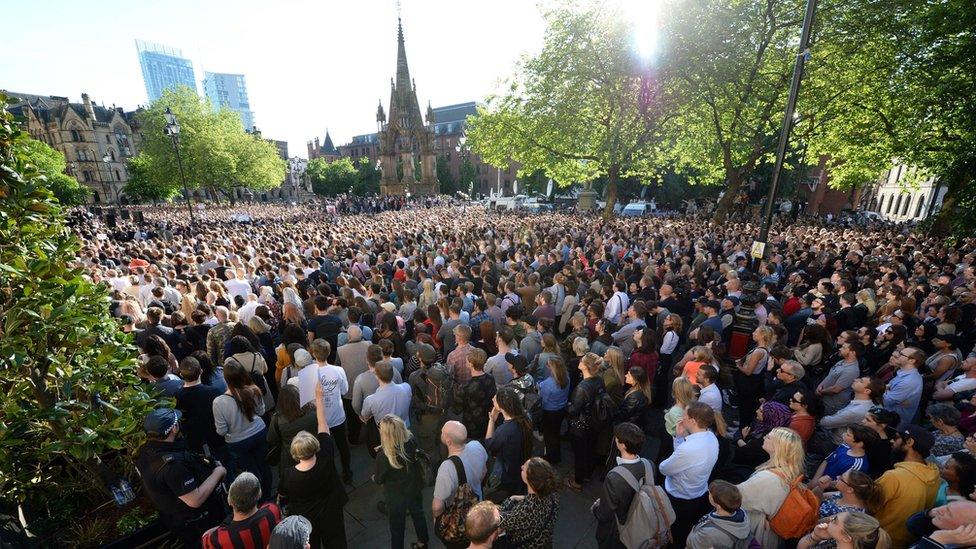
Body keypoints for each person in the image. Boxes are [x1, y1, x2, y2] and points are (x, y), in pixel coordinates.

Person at [135, 408, 228, 548]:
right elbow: (194, 500)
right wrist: (218, 472)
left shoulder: (145, 453)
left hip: (179, 521)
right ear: (173, 429)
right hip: (199, 523)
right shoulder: (172, 466)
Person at [278, 380, 349, 549]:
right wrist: (318, 398)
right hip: (332, 509)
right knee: (337, 541)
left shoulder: (288, 475)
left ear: (295, 453)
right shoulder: (325, 454)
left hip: (307, 517)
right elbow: (322, 423)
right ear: (315, 445)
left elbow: (282, 494)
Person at [660, 402, 721, 543]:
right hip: (698, 494)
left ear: (692, 421)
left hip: (678, 498)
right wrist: (679, 437)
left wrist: (678, 440)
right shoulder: (711, 438)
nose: (682, 417)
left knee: (674, 534)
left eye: (684, 416)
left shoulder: (689, 448)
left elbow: (664, 468)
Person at [212, 357, 272, 499]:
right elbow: (262, 411)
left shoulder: (219, 402)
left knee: (250, 470)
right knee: (264, 466)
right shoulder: (254, 390)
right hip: (259, 432)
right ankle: (268, 497)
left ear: (226, 379)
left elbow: (222, 431)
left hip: (237, 442)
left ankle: (257, 497)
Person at [736, 427, 806, 548]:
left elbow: (736, 497)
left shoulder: (767, 478)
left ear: (778, 447)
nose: (764, 437)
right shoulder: (790, 469)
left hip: (756, 530)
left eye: (768, 437)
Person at [875, 425, 941, 548]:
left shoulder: (893, 477)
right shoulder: (934, 472)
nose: (891, 441)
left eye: (896, 438)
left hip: (881, 541)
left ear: (909, 442)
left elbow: (870, 506)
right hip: (908, 540)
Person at [374, 415, 430, 549]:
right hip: (414, 487)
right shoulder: (410, 440)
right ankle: (422, 543)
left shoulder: (383, 456)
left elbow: (379, 479)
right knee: (418, 514)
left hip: (395, 496)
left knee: (396, 527)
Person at [308, 338, 354, 484]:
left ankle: (331, 476)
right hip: (338, 414)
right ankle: (347, 472)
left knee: (325, 451)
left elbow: (307, 401)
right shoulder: (338, 370)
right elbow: (345, 390)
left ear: (314, 354)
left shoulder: (308, 373)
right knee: (343, 446)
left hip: (321, 419)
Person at [201, 472, 281, 549]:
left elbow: (206, 538)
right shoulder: (272, 511)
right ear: (259, 495)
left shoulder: (216, 539)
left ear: (229, 501)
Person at [432, 421, 489, 529]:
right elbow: (484, 471)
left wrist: (437, 522)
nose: (440, 432)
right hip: (478, 508)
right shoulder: (477, 446)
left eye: (442, 432)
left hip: (458, 522)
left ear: (448, 441)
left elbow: (437, 507)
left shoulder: (447, 468)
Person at [566, 352, 607, 491]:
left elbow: (573, 411)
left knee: (579, 454)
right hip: (594, 424)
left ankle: (577, 482)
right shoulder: (599, 380)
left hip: (580, 427)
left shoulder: (581, 388)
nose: (580, 361)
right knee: (590, 450)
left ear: (585, 366)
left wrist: (568, 405)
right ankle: (587, 475)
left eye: (582, 361)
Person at [498, 458, 560, 549]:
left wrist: (511, 499)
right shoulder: (553, 496)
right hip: (544, 542)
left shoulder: (523, 512)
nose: (521, 466)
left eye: (524, 469)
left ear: (529, 480)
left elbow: (499, 521)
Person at [485, 387, 533, 501]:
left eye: (495, 400)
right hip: (519, 466)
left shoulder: (504, 430)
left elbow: (489, 444)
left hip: (506, 474)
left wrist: (491, 421)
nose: (492, 399)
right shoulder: (525, 417)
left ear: (502, 407)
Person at [176, 356, 226, 459]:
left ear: (181, 375)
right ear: (201, 371)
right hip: (218, 439)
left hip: (195, 444)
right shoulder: (214, 392)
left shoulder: (177, 396)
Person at [266, 384, 317, 476]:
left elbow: (271, 439)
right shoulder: (312, 410)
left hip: (291, 457)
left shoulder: (277, 419)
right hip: (312, 450)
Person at [686, 480, 753, 549]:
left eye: (710, 493)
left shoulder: (709, 533)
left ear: (718, 505)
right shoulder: (743, 514)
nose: (708, 493)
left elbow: (693, 545)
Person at [453, 348, 497, 441]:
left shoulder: (464, 387)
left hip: (471, 427)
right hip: (488, 422)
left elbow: (456, 410)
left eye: (466, 361)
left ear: (471, 364)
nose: (465, 363)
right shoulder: (490, 379)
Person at [816, 341, 863, 416]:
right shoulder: (842, 361)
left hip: (831, 405)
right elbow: (830, 376)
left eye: (844, 348)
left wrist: (820, 392)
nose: (840, 349)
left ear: (853, 353)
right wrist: (820, 386)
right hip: (823, 398)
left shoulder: (851, 371)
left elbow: (835, 389)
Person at [797, 511, 890, 549]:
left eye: (835, 520)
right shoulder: (835, 542)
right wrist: (815, 537)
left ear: (846, 537)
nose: (830, 519)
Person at [538, 356, 570, 464]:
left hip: (550, 412)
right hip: (561, 409)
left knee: (550, 435)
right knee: (555, 432)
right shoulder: (566, 378)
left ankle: (552, 456)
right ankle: (555, 454)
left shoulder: (548, 384)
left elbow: (544, 401)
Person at [884, 347, 926, 429]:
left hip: (892, 422)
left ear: (912, 361)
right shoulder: (903, 373)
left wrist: (883, 389)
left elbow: (886, 401)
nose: (898, 355)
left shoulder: (908, 381)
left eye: (901, 354)